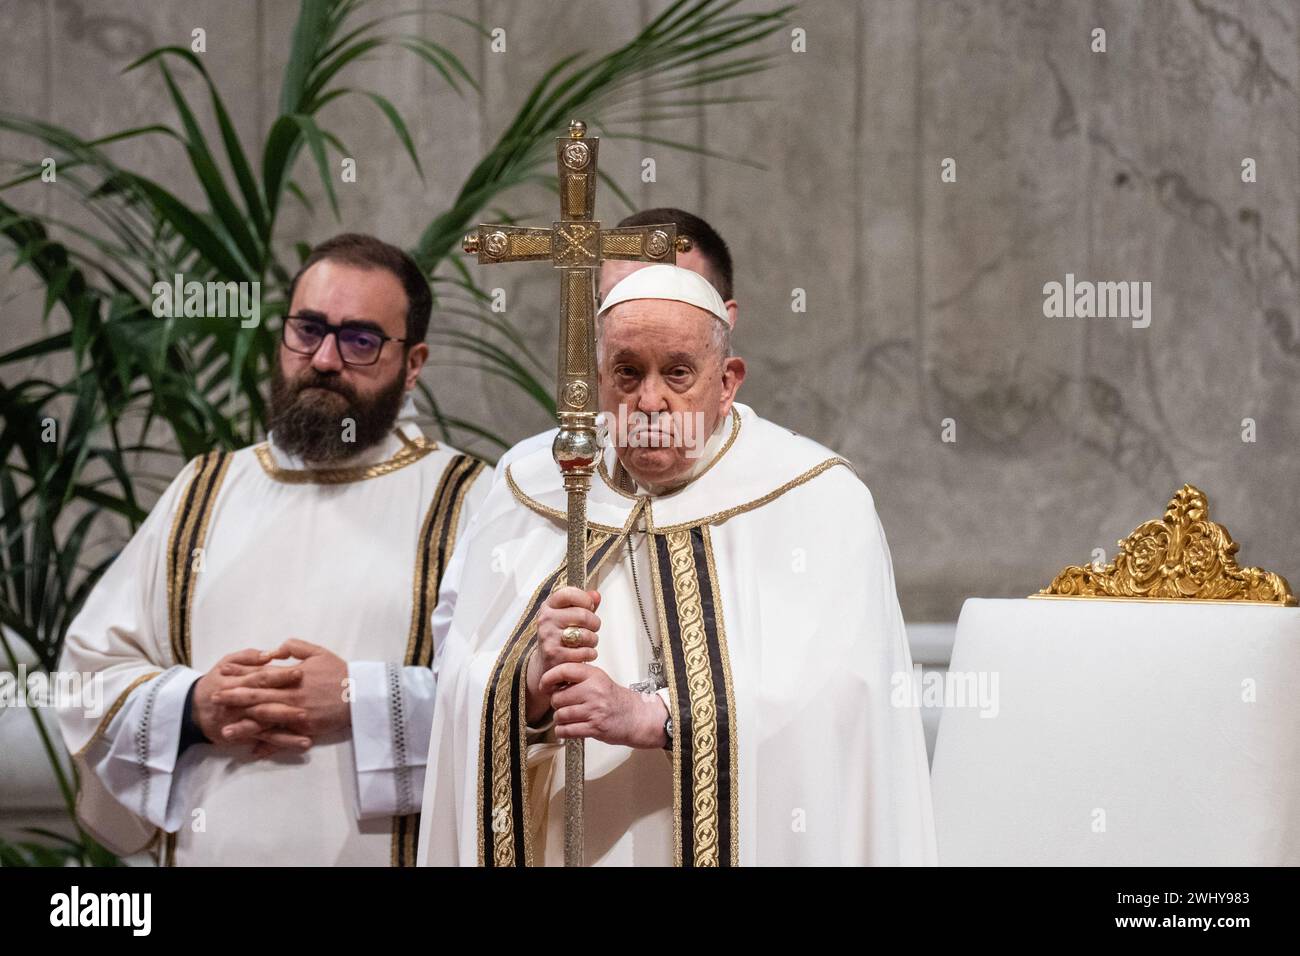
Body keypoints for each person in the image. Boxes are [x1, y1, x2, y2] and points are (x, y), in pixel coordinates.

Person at [417, 264, 936, 866]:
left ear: (727, 382)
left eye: (679, 373)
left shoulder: (817, 498)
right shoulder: (533, 486)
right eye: (627, 373)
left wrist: (657, 717)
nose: (650, 402)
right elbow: (455, 678)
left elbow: (842, 701)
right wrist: (531, 679)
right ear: (596, 381)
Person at [57, 233, 490, 866]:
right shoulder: (202, 491)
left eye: (360, 340)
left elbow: (511, 706)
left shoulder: (468, 501)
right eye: (307, 329)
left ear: (413, 362)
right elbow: (88, 678)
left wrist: (359, 701)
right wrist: (191, 705)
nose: (324, 358)